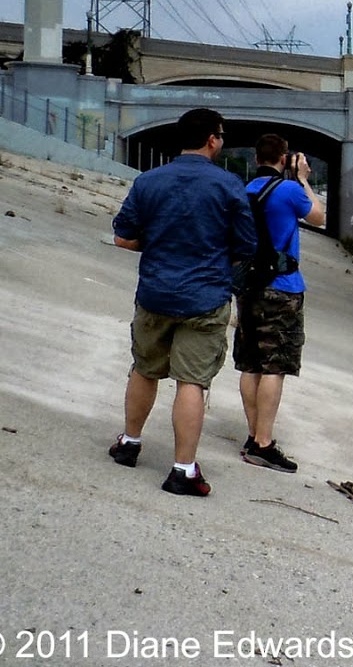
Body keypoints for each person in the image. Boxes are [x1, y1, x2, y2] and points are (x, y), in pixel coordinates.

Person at [110, 107, 255, 497]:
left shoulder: (149, 181)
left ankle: (129, 443)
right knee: (191, 382)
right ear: (212, 139)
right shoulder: (228, 186)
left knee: (144, 368)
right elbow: (245, 248)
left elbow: (123, 237)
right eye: (221, 135)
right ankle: (182, 470)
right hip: (205, 298)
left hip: (155, 292)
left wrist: (157, 247)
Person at [235, 133, 325, 473]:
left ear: (256, 157)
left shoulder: (244, 191)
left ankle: (253, 434)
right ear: (284, 157)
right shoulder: (288, 191)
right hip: (282, 287)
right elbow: (318, 216)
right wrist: (302, 179)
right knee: (275, 365)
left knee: (250, 363)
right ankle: (263, 443)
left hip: (248, 287)